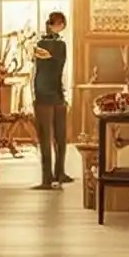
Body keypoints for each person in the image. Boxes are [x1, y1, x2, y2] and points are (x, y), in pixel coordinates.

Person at [32, 11, 72, 190]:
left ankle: (47, 177)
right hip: (56, 93)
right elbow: (59, 68)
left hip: (43, 93)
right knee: (60, 137)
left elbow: (39, 70)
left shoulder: (39, 44)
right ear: (60, 24)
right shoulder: (60, 45)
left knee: (46, 137)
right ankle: (59, 173)